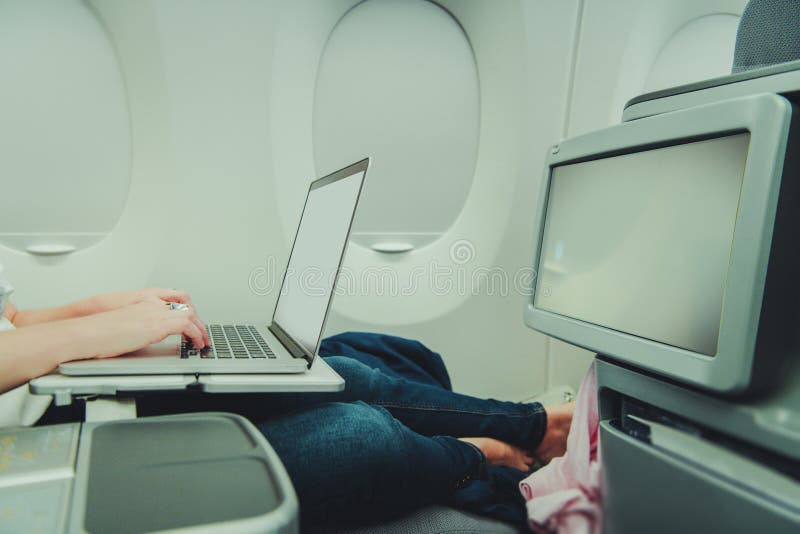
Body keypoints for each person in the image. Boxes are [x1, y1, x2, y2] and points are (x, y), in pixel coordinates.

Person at [0, 271, 572, 525]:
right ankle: (481, 455)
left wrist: (112, 308)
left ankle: (534, 423)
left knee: (344, 369)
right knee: (359, 435)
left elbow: (15, 322)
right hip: (40, 453)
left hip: (70, 390)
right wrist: (96, 335)